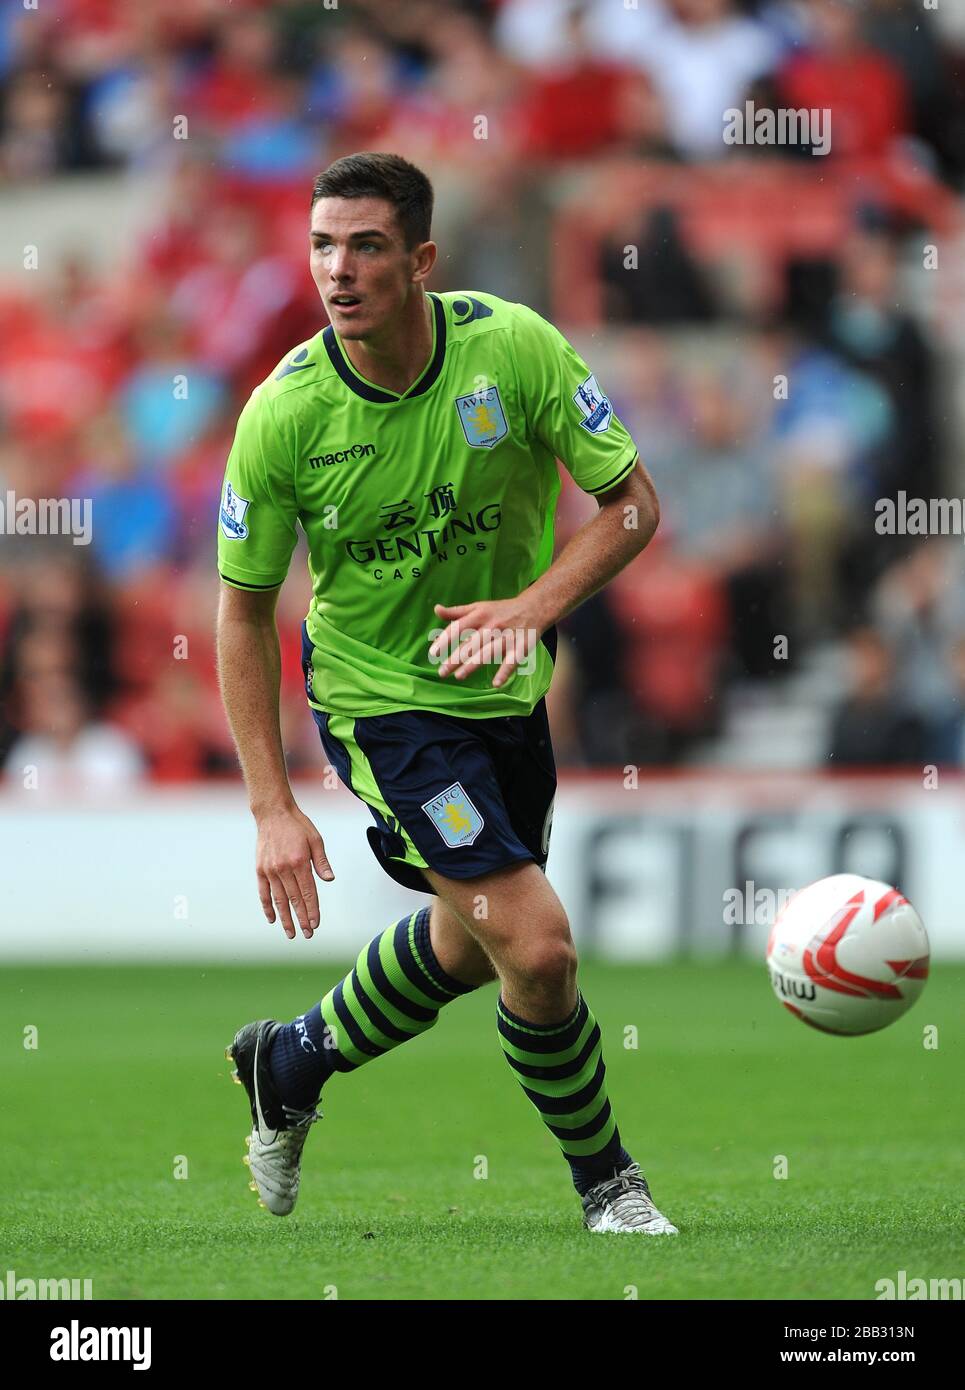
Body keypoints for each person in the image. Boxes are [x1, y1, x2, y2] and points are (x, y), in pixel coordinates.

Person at [216, 151, 674, 1235]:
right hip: (383, 708)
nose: (339, 269)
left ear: (419, 259)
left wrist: (529, 605)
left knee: (472, 943)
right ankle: (607, 1182)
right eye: (323, 244)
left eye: (366, 245)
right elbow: (240, 613)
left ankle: (288, 1060)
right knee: (541, 944)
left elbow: (631, 506)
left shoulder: (511, 350)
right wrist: (270, 804)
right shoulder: (283, 415)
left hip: (505, 694)